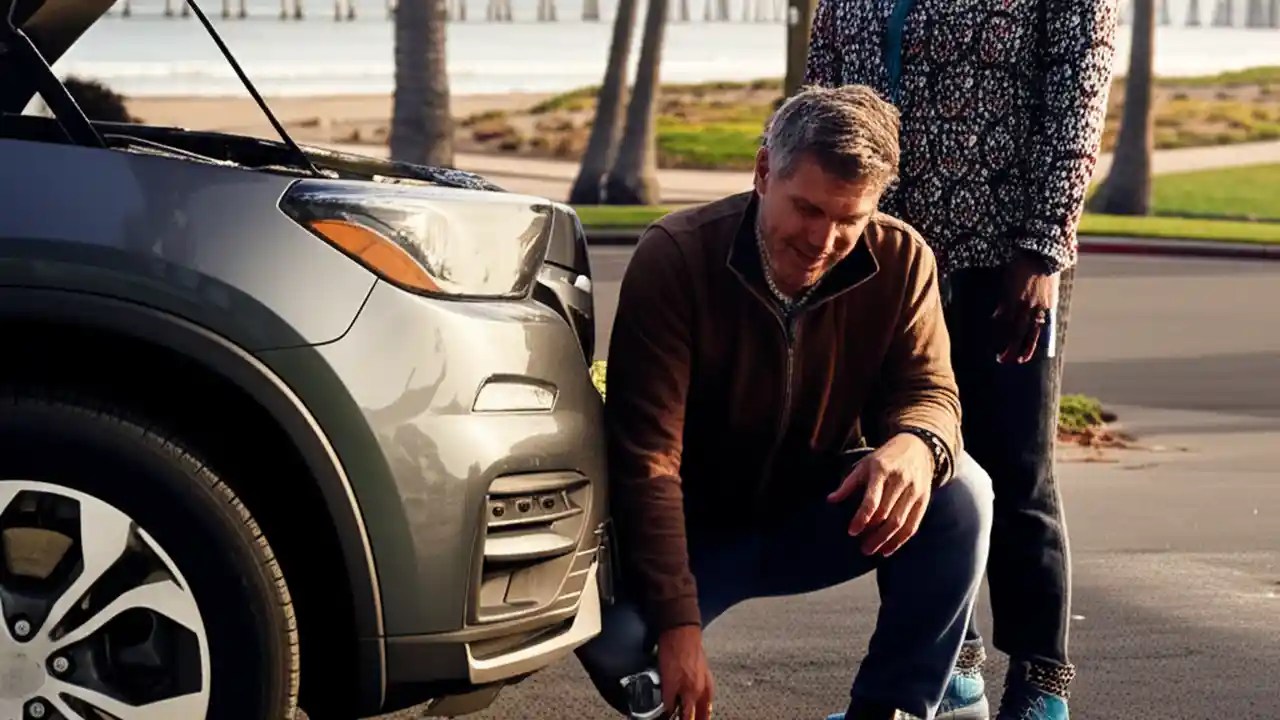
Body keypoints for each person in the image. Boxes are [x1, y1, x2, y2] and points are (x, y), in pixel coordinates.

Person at [576, 84, 994, 720]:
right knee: (626, 656)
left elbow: (931, 392)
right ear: (764, 170)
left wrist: (919, 441)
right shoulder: (677, 256)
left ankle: (893, 709)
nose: (823, 240)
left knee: (961, 491)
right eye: (807, 209)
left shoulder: (903, 258)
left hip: (815, 512)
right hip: (694, 526)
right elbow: (648, 459)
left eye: (850, 220)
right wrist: (678, 626)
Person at [802, 2, 1121, 719]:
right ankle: (949, 672)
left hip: (1005, 262)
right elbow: (819, 91)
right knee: (908, 457)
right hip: (879, 256)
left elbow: (1080, 90)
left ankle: (1042, 684)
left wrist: (1041, 248)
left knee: (1016, 470)